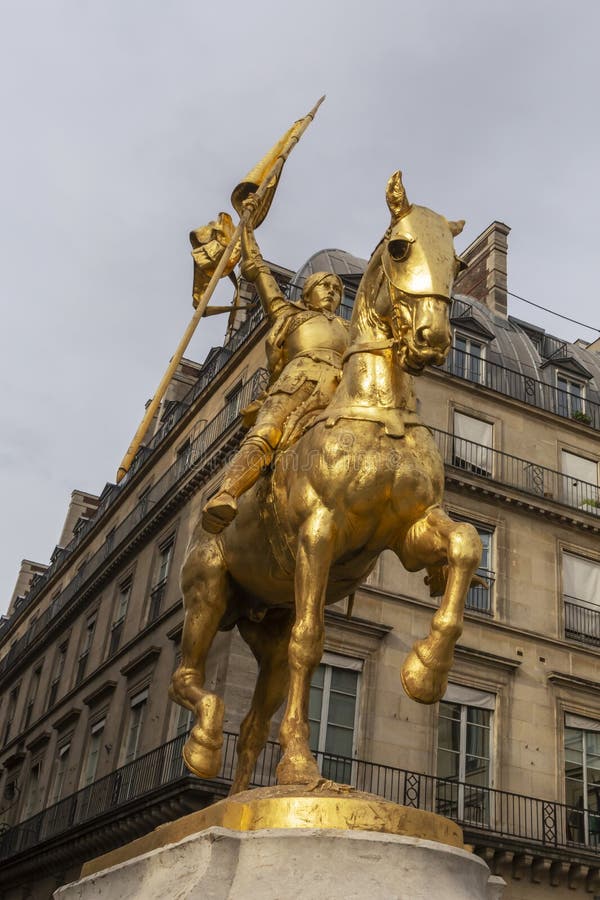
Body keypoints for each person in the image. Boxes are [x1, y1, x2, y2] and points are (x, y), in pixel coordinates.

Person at [201, 213, 349, 533]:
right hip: (297, 380)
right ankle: (227, 493)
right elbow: (259, 271)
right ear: (307, 293)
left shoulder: (349, 328)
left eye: (337, 289)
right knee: (267, 431)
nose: (332, 292)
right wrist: (247, 231)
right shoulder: (288, 314)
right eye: (324, 285)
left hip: (339, 386)